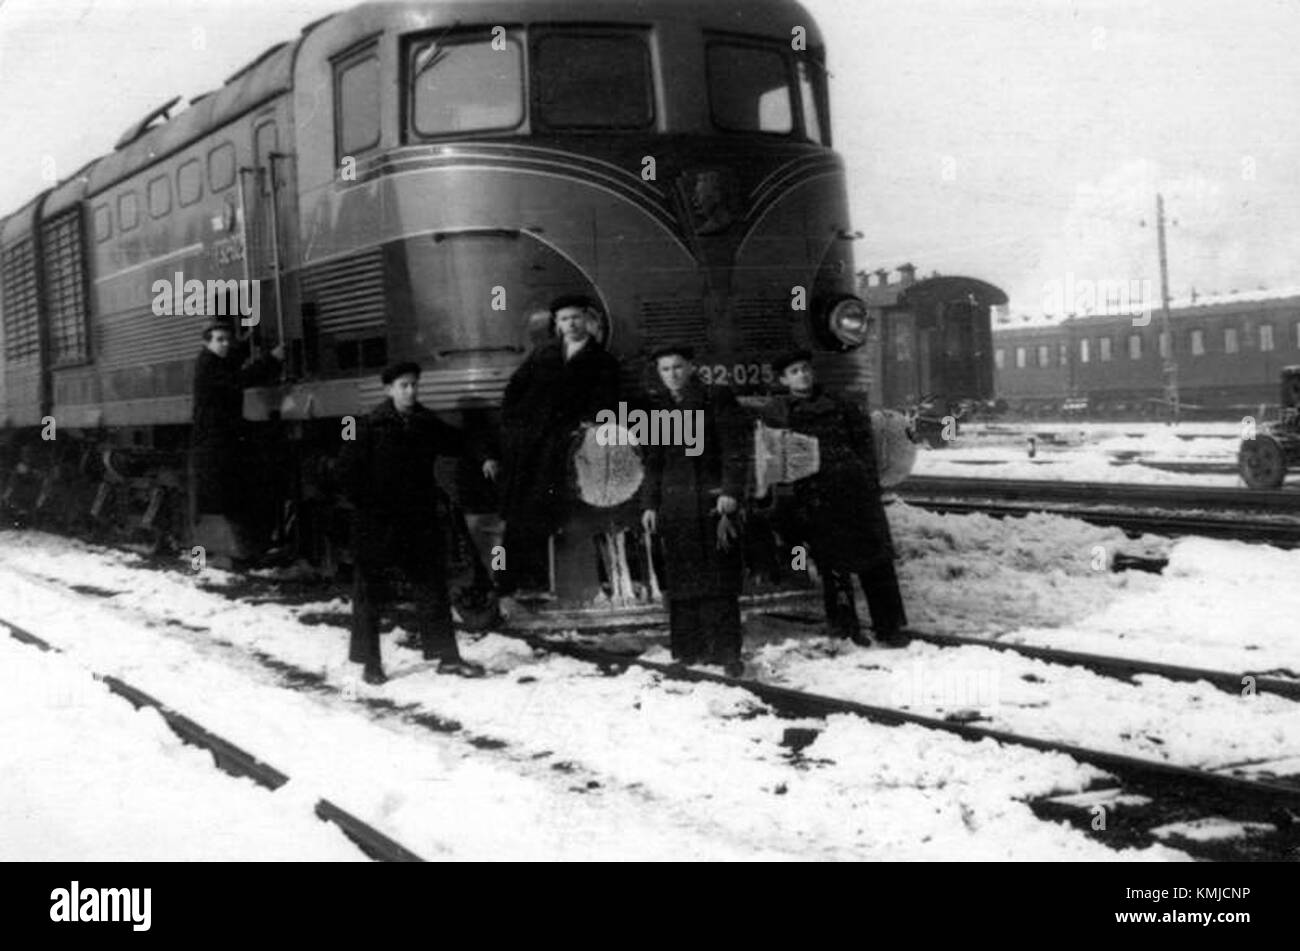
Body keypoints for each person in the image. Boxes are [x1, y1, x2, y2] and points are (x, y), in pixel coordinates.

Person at [337, 361, 485, 684]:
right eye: (404, 386)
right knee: (370, 593)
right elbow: (346, 474)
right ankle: (371, 664)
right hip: (377, 523)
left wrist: (486, 454)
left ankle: (448, 658)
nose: (411, 391)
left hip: (417, 521)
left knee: (432, 587)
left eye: (415, 385)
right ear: (388, 390)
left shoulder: (425, 422)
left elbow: (458, 442)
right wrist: (371, 505)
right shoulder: (367, 426)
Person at [763, 350, 910, 648]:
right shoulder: (777, 413)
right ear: (783, 380)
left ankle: (890, 626)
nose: (802, 375)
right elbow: (774, 458)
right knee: (833, 566)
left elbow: (864, 446)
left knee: (877, 561)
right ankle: (845, 628)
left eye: (804, 369)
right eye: (794, 372)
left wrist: (870, 484)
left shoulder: (842, 405)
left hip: (857, 493)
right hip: (818, 497)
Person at [490, 295, 620, 597]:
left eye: (576, 317)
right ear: (556, 325)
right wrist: (515, 428)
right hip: (531, 448)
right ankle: (509, 582)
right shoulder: (542, 355)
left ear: (588, 321)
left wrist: (587, 424)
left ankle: (545, 581)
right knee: (518, 515)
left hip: (566, 446)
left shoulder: (602, 361)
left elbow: (607, 404)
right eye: (564, 319)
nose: (570, 324)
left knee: (549, 513)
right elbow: (514, 391)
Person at [640, 345, 749, 674]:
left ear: (690, 367)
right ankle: (689, 652)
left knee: (717, 580)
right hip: (675, 507)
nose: (672, 375)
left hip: (710, 502)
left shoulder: (716, 397)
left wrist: (731, 491)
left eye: (677, 367)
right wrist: (650, 504)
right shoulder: (660, 407)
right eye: (665, 370)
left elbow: (734, 449)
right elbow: (654, 463)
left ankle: (727, 653)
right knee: (682, 580)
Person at [191, 319, 282, 554]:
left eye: (227, 340)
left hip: (220, 439)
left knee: (226, 494)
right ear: (206, 343)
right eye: (219, 340)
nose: (224, 345)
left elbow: (231, 360)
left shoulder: (213, 360)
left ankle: (230, 550)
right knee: (220, 497)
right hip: (215, 442)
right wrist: (271, 359)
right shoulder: (207, 367)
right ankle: (212, 555)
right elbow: (236, 381)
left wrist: (246, 340)